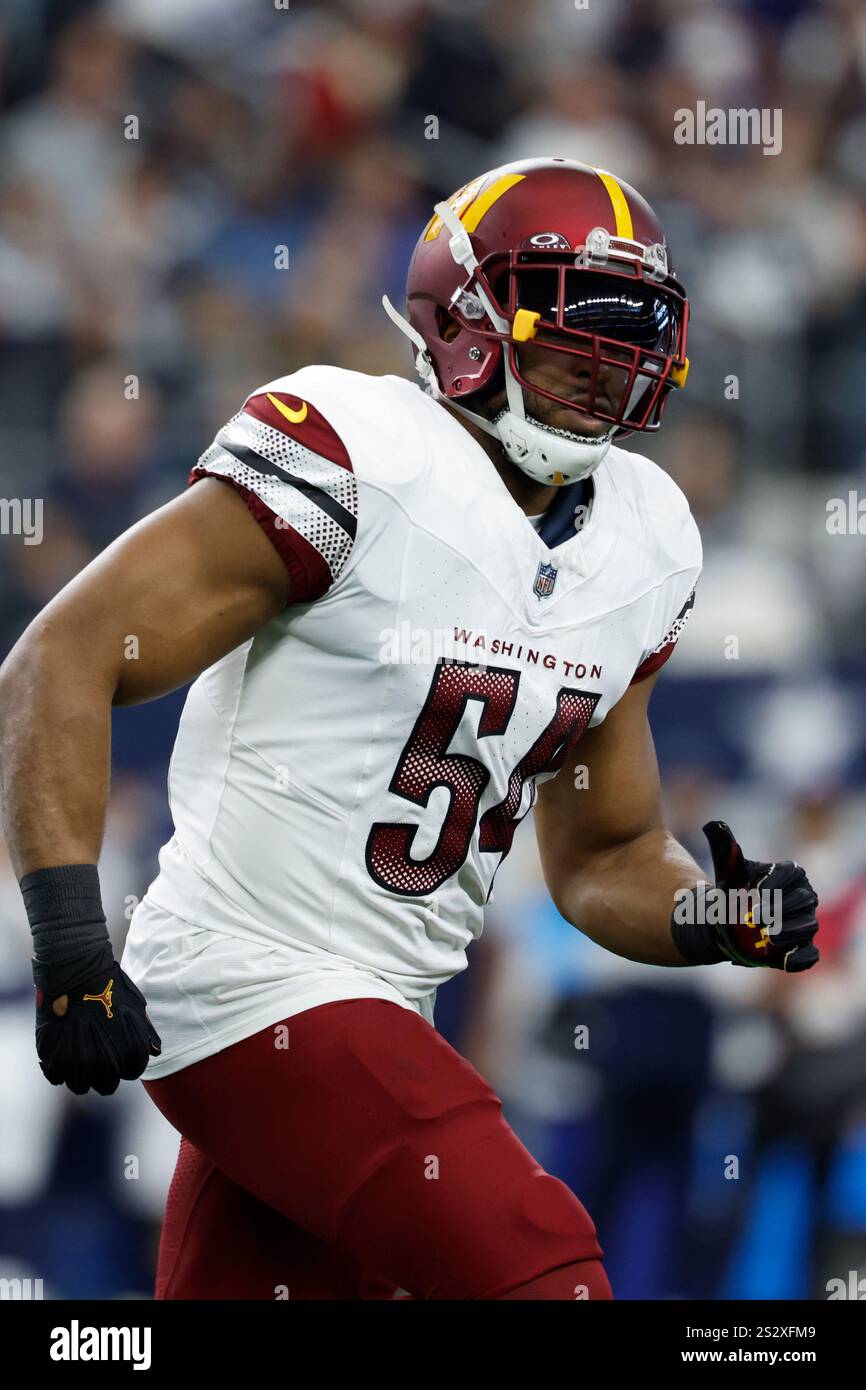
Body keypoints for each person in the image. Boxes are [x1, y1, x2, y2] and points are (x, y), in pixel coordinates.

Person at [0, 157, 820, 1300]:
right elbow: (58, 659)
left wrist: (712, 913)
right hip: (247, 979)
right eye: (572, 334)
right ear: (470, 321)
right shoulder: (359, 452)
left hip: (384, 1011)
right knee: (544, 1268)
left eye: (629, 339)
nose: (605, 368)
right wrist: (73, 951)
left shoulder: (645, 539)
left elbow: (605, 858)